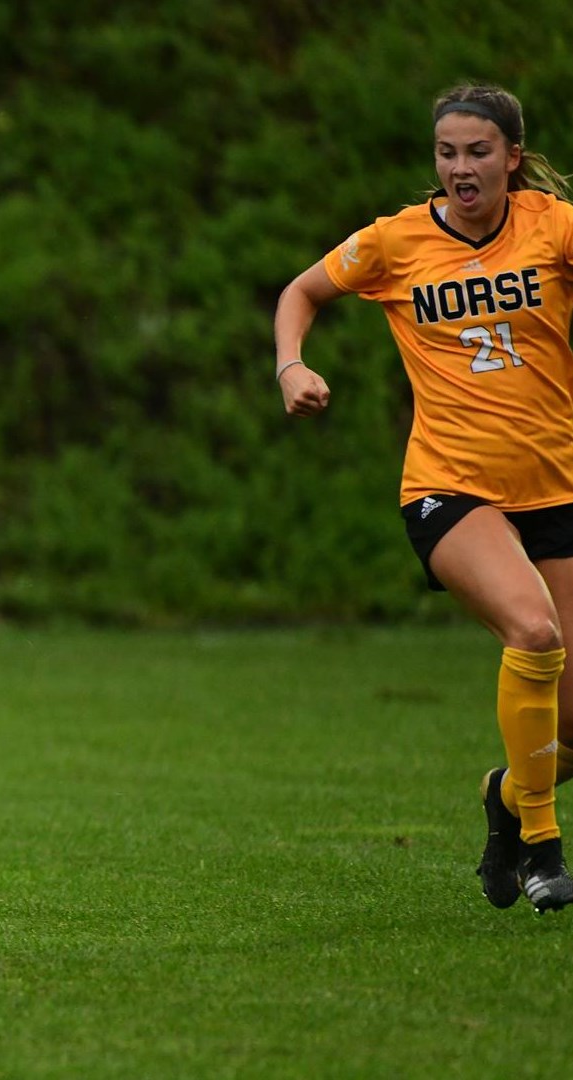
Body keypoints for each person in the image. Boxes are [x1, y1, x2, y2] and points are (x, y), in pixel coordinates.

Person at [274, 84, 573, 914]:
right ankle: (543, 848)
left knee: (570, 728)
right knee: (533, 631)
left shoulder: (552, 226)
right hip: (448, 486)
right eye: (447, 153)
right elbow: (299, 293)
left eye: (477, 151)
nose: (460, 167)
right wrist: (290, 365)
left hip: (554, 484)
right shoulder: (395, 241)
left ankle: (505, 798)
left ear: (511, 157)